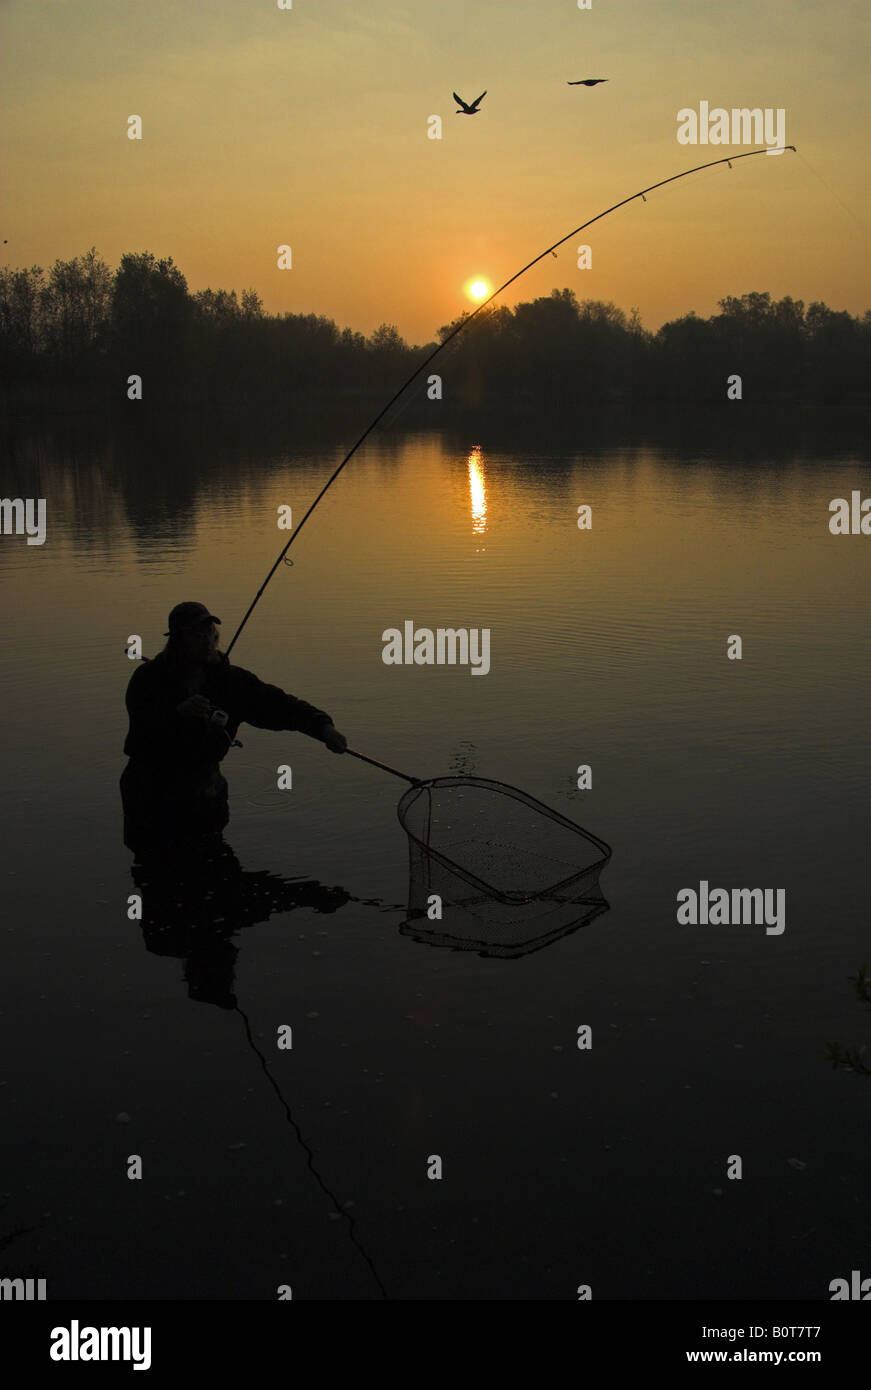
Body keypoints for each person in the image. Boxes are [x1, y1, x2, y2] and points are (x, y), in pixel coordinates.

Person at [121, 601, 347, 858]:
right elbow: (140, 738)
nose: (206, 641)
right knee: (158, 873)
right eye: (197, 635)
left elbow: (280, 706)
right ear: (177, 640)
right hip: (151, 796)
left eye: (210, 633)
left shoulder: (231, 681)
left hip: (205, 794)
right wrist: (177, 714)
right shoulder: (148, 679)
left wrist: (323, 727)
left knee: (215, 868)